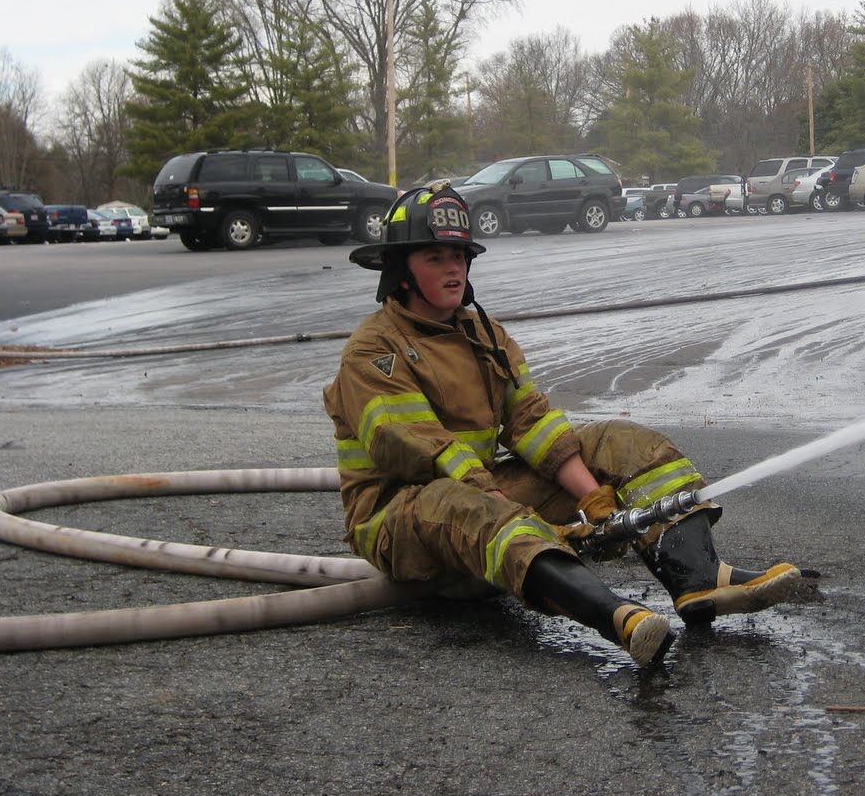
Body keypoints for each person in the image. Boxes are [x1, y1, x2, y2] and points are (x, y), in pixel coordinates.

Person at [322, 181, 801, 666]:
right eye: (435, 257)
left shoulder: (485, 337)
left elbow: (532, 422)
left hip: (483, 509)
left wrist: (593, 500)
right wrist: (533, 524)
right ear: (401, 271)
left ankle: (698, 578)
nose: (453, 268)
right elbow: (421, 448)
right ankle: (618, 618)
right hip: (402, 520)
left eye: (459, 256)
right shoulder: (373, 351)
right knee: (468, 504)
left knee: (623, 443)